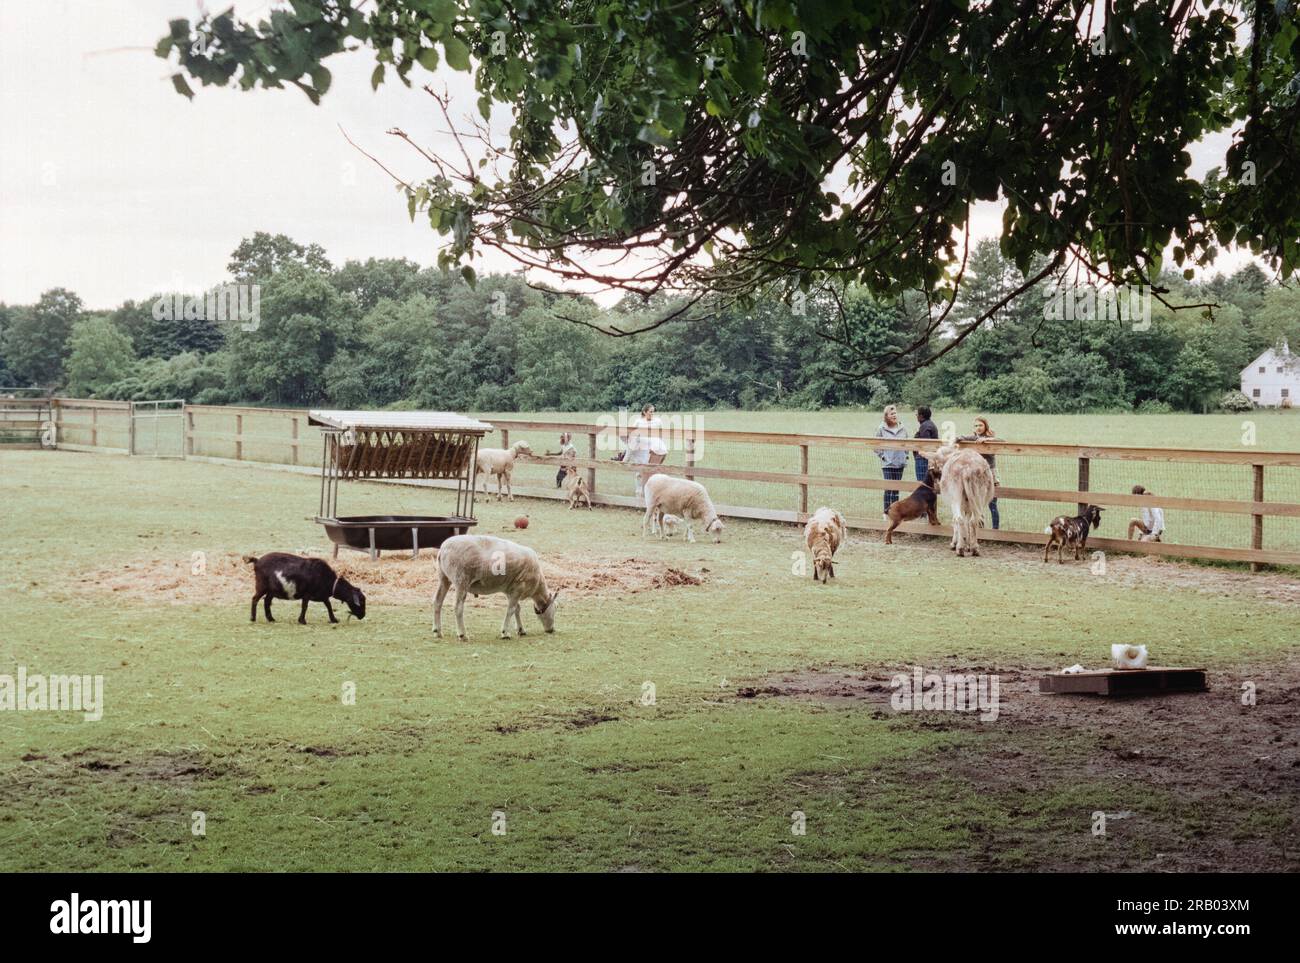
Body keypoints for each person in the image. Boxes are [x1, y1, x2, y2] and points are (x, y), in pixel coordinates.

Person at [957, 416, 1000, 529]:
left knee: (993, 503)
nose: (978, 428)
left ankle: (996, 529)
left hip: (990, 472)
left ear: (985, 425)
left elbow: (1003, 441)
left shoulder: (991, 437)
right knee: (976, 501)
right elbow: (962, 437)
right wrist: (957, 439)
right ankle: (980, 528)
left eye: (980, 425)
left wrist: (988, 440)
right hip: (977, 474)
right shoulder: (974, 438)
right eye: (976, 426)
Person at [625, 403, 668, 498]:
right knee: (640, 472)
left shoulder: (657, 421)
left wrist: (662, 446)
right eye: (650, 412)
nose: (652, 414)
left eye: (653, 412)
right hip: (642, 448)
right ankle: (640, 494)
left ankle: (651, 494)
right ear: (644, 412)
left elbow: (662, 434)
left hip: (655, 449)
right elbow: (632, 434)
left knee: (652, 471)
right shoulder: (638, 422)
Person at [875, 404, 909, 513]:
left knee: (896, 489)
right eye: (892, 414)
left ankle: (895, 513)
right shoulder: (881, 428)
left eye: (895, 413)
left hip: (900, 463)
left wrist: (906, 455)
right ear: (886, 416)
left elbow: (907, 444)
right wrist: (883, 456)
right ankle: (886, 512)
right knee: (888, 488)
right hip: (888, 464)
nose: (894, 415)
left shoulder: (903, 428)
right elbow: (875, 445)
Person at [913, 405, 938, 481]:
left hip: (923, 459)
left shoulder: (925, 426)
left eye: (917, 414)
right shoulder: (929, 424)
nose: (916, 416)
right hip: (926, 458)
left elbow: (925, 444)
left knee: (922, 483)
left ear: (921, 416)